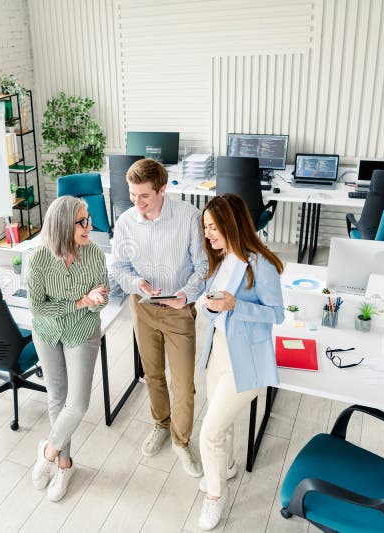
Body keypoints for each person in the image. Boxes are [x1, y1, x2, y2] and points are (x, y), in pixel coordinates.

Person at [111, 158, 206, 478]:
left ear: (162, 189)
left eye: (144, 196)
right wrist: (136, 283)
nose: (137, 203)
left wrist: (187, 295)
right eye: (132, 195)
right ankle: (161, 425)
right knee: (152, 375)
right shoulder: (125, 222)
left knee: (184, 385)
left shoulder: (188, 217)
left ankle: (182, 440)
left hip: (179, 311)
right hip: (143, 308)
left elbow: (202, 268)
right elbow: (120, 269)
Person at [195, 194, 284, 531]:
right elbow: (210, 308)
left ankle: (215, 498)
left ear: (231, 225)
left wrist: (235, 306)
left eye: (214, 228)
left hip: (245, 359)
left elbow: (276, 315)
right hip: (217, 349)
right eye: (206, 228)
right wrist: (208, 305)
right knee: (223, 423)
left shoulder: (261, 264)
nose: (209, 235)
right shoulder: (220, 260)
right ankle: (226, 467)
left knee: (209, 431)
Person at [28, 196, 109, 502]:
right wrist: (79, 302)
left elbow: (105, 293)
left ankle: (47, 452)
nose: (90, 226)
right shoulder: (39, 258)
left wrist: (97, 297)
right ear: (64, 225)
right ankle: (64, 463)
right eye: (83, 222)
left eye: (89, 220)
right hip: (48, 333)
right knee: (56, 398)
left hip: (82, 332)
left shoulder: (95, 254)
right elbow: (37, 308)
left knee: (77, 404)